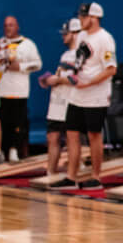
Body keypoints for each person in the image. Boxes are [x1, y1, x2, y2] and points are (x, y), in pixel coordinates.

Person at [63, 2, 117, 188]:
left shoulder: (105, 39)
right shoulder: (81, 37)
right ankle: (71, 176)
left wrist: (89, 82)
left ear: (93, 18)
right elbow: (80, 62)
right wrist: (71, 74)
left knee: (94, 134)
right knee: (71, 132)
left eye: (83, 17)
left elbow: (111, 69)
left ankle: (96, 176)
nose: (80, 20)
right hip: (77, 93)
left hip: (96, 95)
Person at [0, 15, 42, 163]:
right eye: (6, 25)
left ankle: (14, 150)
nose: (8, 28)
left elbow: (38, 64)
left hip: (19, 90)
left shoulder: (28, 44)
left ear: (17, 26)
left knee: (18, 122)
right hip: (2, 89)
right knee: (2, 122)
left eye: (11, 25)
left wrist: (21, 67)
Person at [40, 19, 81, 178]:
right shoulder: (65, 55)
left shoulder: (82, 54)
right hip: (56, 104)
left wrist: (58, 80)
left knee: (72, 139)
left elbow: (79, 79)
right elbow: (61, 76)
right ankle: (51, 172)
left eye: (66, 33)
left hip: (71, 103)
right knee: (52, 137)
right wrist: (48, 80)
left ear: (75, 33)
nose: (63, 36)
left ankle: (73, 172)